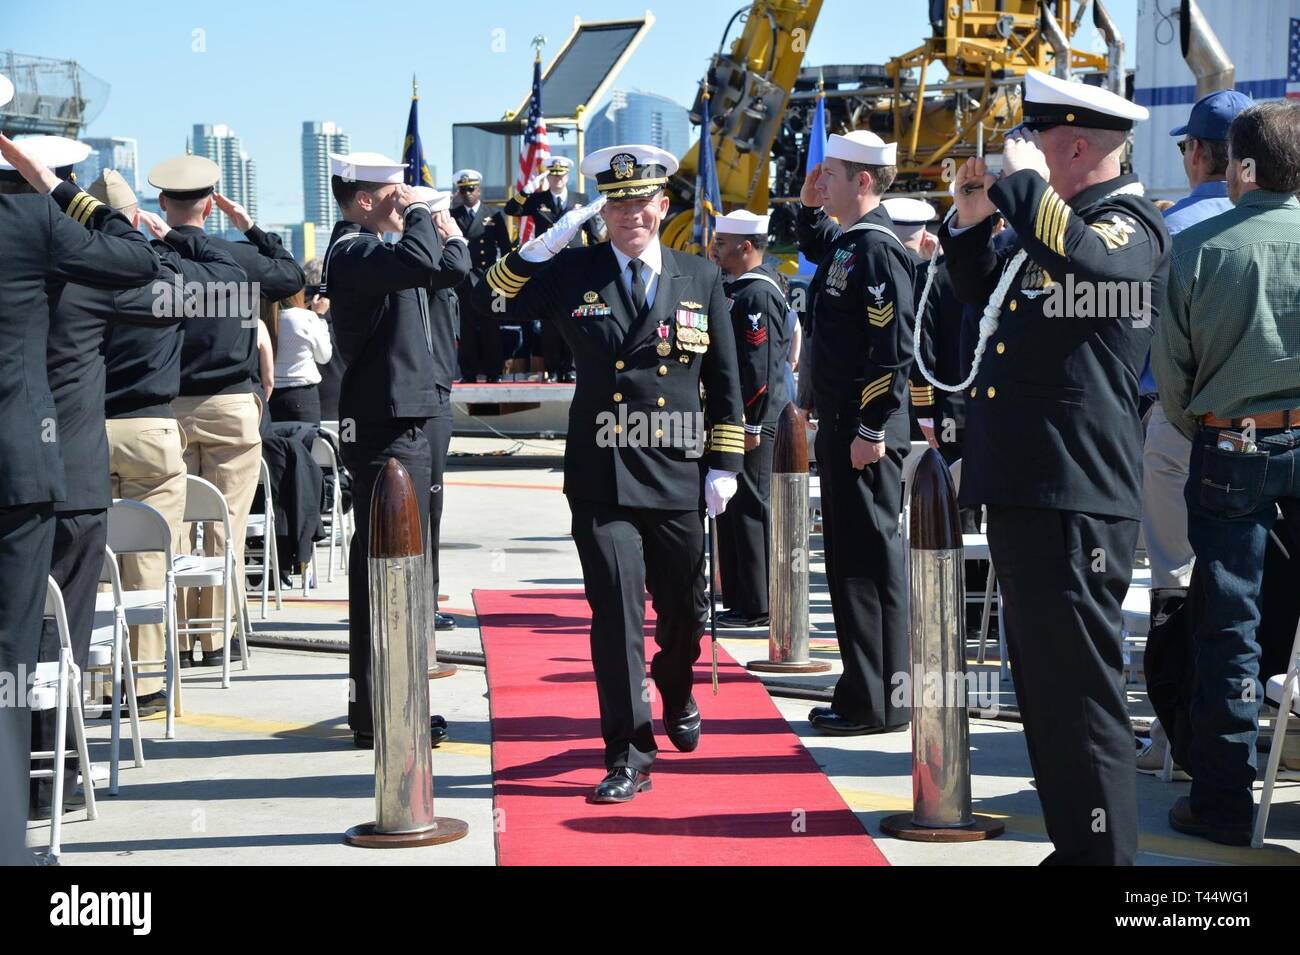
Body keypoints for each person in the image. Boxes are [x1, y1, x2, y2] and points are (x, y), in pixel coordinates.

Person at [939, 69, 1169, 865]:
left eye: (1039, 139)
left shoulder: (1126, 225)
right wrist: (974, 214)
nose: (1027, 151)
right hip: (1031, 492)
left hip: (1074, 497)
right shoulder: (1059, 226)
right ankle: (1078, 847)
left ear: (1074, 144)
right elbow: (981, 292)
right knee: (1043, 692)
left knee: (1082, 699)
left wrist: (1026, 188)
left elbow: (1089, 266)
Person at [474, 144, 744, 803]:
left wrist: (725, 464)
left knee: (685, 608)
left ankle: (675, 685)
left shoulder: (699, 276)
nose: (630, 214)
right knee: (616, 614)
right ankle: (629, 753)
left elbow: (726, 381)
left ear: (663, 205)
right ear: (604, 210)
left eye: (640, 201)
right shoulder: (575, 271)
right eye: (616, 203)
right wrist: (541, 246)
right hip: (603, 475)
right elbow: (492, 298)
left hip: (678, 469)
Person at [0, 127, 160, 857]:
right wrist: (73, 200)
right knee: (26, 642)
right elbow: (145, 266)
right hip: (39, 472)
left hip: (39, 465)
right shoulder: (46, 231)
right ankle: (40, 788)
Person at [1153, 99, 1300, 847]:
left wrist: (1207, 427)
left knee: (1229, 628)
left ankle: (1220, 800)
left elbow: (1172, 381)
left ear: (1243, 167)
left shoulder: (1197, 248)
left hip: (1231, 447)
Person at [321, 150, 469, 749]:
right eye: (391, 193)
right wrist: (415, 219)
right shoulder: (353, 250)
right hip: (383, 421)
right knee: (389, 567)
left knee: (405, 566)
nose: (403, 200)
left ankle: (390, 702)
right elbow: (415, 258)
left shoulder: (390, 254)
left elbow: (449, 272)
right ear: (362, 200)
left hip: (412, 412)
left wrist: (449, 230)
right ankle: (384, 708)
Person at [149, 154, 305, 667]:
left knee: (167, 528)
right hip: (231, 404)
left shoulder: (151, 256)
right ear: (211, 206)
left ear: (162, 203)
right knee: (225, 525)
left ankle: (169, 635)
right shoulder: (236, 257)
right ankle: (215, 639)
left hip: (166, 407)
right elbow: (291, 276)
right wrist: (252, 226)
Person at [1137, 89, 1252, 776]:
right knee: (1241, 588)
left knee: (1173, 579)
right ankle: (1229, 728)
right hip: (1265, 432)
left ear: (1200, 153)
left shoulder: (1166, 229)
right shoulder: (1276, 225)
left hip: (1178, 426)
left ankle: (1174, 733)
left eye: (1185, 145)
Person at [98, 173, 246, 698]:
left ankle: (94, 675)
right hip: (153, 424)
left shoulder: (76, 276)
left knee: (94, 556)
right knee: (150, 557)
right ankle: (146, 678)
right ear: (139, 216)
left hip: (87, 428)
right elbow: (230, 277)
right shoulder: (167, 275)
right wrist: (177, 237)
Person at [794, 130, 915, 737]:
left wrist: (869, 428)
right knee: (847, 562)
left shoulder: (878, 251)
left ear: (863, 181)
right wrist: (808, 199)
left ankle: (880, 700)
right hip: (844, 429)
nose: (825, 183)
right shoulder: (850, 243)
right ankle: (860, 687)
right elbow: (813, 241)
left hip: (864, 433)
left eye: (834, 175)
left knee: (870, 563)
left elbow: (891, 350)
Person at [709, 209, 789, 628]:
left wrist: (752, 423)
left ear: (745, 247)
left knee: (753, 507)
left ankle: (759, 604)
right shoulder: (737, 288)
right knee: (734, 509)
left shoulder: (758, 294)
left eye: (722, 243)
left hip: (754, 420)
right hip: (736, 418)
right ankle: (740, 598)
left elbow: (760, 365)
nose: (715, 249)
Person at [504, 155, 606, 381]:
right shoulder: (538, 198)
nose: (557, 179)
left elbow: (593, 232)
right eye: (552, 175)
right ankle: (551, 369)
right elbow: (511, 209)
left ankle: (570, 369)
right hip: (548, 267)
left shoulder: (580, 198)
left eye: (560, 175)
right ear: (548, 177)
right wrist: (526, 190)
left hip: (575, 265)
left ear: (567, 176)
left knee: (574, 316)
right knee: (549, 320)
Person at [452, 169, 514, 383]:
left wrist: (506, 279)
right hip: (463, 279)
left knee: (491, 327)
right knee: (466, 328)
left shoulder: (494, 214)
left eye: (471, 189)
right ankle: (468, 373)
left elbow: (505, 248)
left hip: (489, 279)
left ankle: (494, 372)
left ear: (479, 190)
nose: (467, 193)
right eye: (463, 190)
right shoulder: (453, 215)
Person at [270, 289, 332, 426]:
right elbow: (324, 356)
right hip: (302, 394)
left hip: (271, 394)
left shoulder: (265, 317)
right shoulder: (307, 317)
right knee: (305, 445)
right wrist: (320, 316)